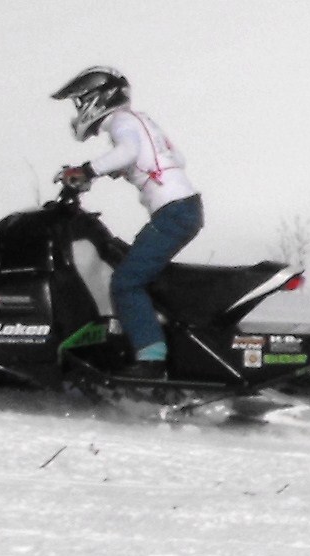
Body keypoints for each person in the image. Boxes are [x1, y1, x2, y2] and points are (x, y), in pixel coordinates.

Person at [50, 65, 200, 368]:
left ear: (97, 99)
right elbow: (174, 158)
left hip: (174, 211)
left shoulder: (120, 122)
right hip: (183, 206)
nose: (79, 111)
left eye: (80, 102)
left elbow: (128, 151)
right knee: (135, 268)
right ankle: (160, 338)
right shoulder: (139, 120)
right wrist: (123, 171)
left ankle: (151, 358)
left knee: (126, 283)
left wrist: (87, 170)